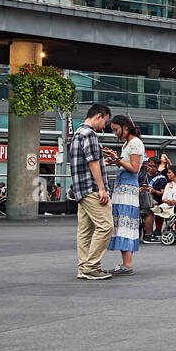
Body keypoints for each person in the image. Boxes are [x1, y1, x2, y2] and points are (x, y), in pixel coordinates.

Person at [70, 104, 113, 281]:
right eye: (105, 121)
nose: (105, 126)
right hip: (92, 189)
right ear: (99, 116)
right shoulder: (89, 134)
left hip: (80, 189)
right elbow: (92, 162)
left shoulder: (77, 133)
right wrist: (102, 188)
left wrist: (105, 163)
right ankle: (91, 266)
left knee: (85, 230)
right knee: (106, 226)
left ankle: (83, 267)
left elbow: (89, 162)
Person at [105, 115, 144, 275]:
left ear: (125, 127)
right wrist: (115, 161)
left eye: (116, 129)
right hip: (123, 186)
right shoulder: (128, 144)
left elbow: (135, 168)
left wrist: (117, 161)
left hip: (128, 187)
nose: (115, 133)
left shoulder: (134, 143)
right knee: (122, 222)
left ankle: (127, 264)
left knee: (125, 222)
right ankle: (125, 263)